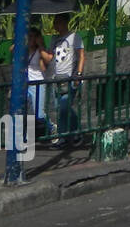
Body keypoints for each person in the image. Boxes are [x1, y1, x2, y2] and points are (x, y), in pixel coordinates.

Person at [50, 12, 85, 145]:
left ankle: (68, 134)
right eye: (54, 22)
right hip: (57, 79)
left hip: (71, 78)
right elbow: (50, 56)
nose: (55, 25)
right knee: (61, 108)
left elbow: (81, 56)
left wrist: (79, 74)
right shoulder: (54, 39)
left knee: (64, 106)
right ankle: (70, 134)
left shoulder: (75, 37)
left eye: (57, 22)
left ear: (64, 22)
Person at [25, 26, 54, 139]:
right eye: (29, 36)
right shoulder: (24, 49)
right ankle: (25, 136)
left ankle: (51, 126)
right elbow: (12, 49)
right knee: (24, 111)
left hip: (37, 83)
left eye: (32, 37)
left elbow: (44, 66)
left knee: (39, 114)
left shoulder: (39, 51)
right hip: (26, 83)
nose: (30, 39)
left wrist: (40, 45)